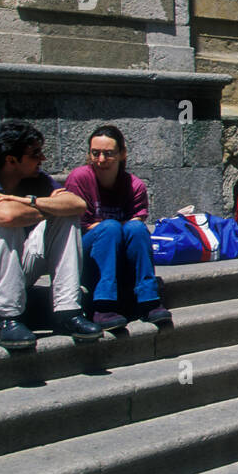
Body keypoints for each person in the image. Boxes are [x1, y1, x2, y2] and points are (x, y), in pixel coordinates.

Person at [0, 120, 102, 350]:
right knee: (6, 223)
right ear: (11, 160)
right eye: (35, 154)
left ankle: (67, 312)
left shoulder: (37, 180)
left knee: (66, 215)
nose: (42, 159)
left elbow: (76, 204)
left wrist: (28, 200)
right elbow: (5, 216)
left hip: (12, 267)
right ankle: (5, 320)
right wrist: (39, 209)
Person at [63, 125, 171, 330]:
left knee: (137, 230)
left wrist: (116, 227)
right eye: (95, 153)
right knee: (111, 228)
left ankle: (149, 301)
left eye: (108, 154)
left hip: (119, 252)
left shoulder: (135, 186)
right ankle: (103, 305)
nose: (101, 160)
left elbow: (136, 224)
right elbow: (81, 226)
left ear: (122, 154)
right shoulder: (79, 179)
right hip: (87, 254)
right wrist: (114, 226)